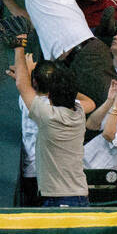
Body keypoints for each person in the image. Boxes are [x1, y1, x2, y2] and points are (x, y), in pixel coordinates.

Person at [8, 42, 94, 208]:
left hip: (60, 197)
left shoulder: (47, 114)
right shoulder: (78, 112)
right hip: (75, 194)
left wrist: (24, 69)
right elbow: (88, 102)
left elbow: (22, 85)